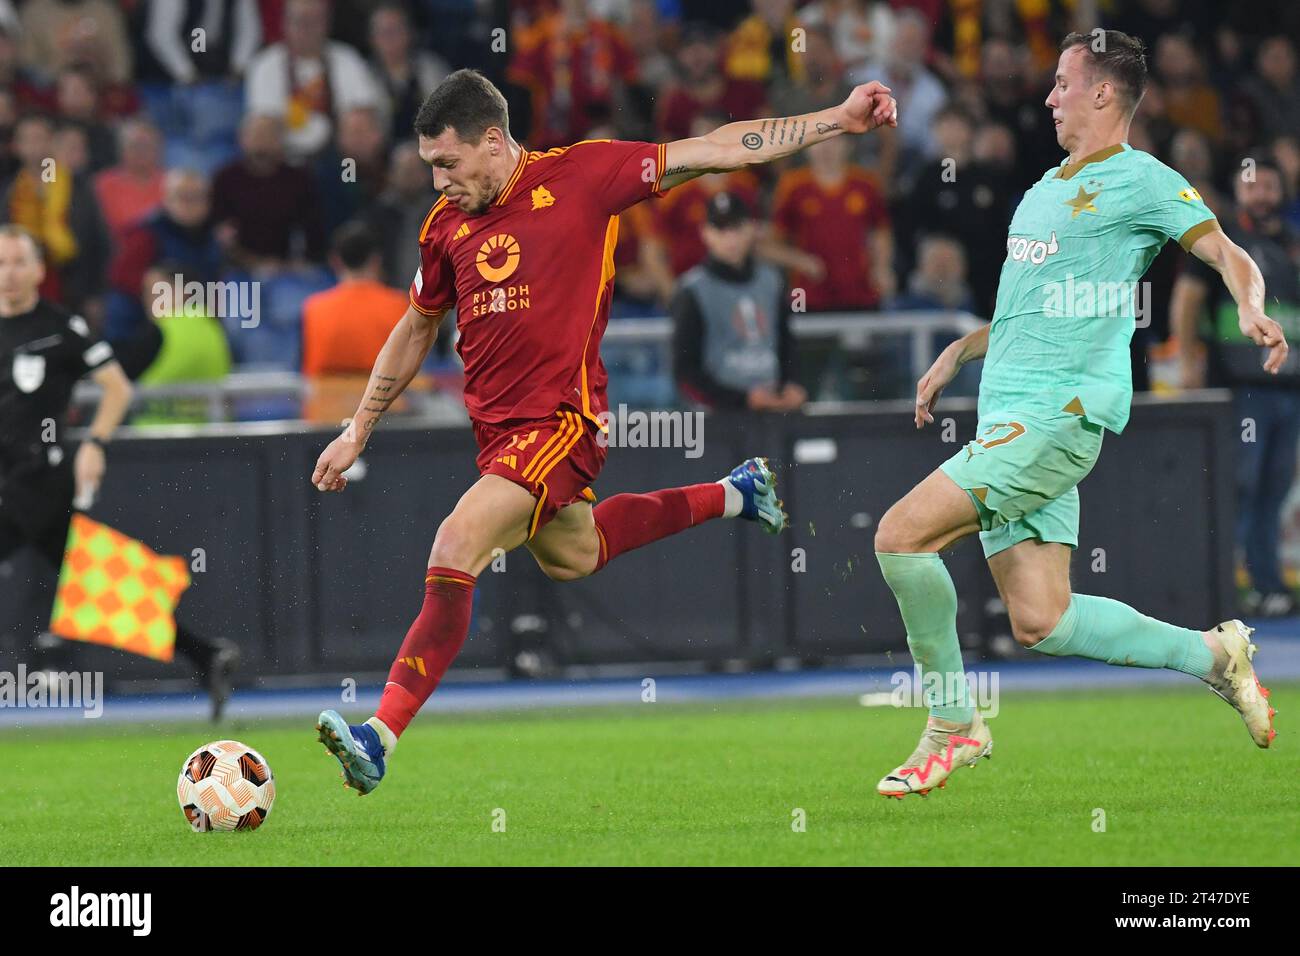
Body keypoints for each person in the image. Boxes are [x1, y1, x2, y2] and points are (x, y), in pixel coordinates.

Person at [313, 67, 898, 795]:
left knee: (455, 543)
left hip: (561, 421)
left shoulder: (587, 175)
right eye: (431, 165)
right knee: (575, 555)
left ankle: (379, 735)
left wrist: (838, 120)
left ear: (494, 143)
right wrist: (357, 428)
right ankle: (736, 494)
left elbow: (719, 148)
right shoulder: (445, 228)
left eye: (448, 163)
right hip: (498, 438)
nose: (438, 182)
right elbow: (416, 327)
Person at [872, 31, 1285, 799]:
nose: (1048, 97)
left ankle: (951, 725)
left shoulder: (1144, 182)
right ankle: (1216, 657)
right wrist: (961, 350)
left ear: (1103, 93)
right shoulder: (1042, 191)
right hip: (1007, 415)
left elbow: (1227, 251)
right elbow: (1030, 313)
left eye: (1063, 84)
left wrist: (1252, 307)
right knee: (1042, 620)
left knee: (899, 536)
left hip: (1060, 420)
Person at [0, 226, 238, 718]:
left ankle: (205, 655)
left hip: (35, 480)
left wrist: (95, 442)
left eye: (19, 262)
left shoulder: (61, 328)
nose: (10, 273)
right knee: (100, 582)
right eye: (2, 263)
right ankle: (206, 654)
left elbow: (117, 388)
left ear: (39, 270)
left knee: (96, 580)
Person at [1172, 154, 1300, 617]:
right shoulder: (1222, 241)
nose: (1261, 194)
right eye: (1252, 186)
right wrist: (1187, 360)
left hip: (1287, 389)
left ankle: (1267, 587)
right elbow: (1188, 300)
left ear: (1281, 192)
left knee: (1274, 490)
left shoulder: (1291, 243)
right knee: (1238, 486)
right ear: (1238, 191)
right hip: (1239, 388)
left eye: (1269, 186)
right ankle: (1221, 586)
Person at [673, 191, 805, 412]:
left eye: (736, 228)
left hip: (772, 411)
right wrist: (741, 400)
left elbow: (787, 343)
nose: (730, 238)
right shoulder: (692, 291)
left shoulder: (772, 281)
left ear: (751, 229)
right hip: (719, 420)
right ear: (706, 233)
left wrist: (793, 384)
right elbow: (685, 372)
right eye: (721, 229)